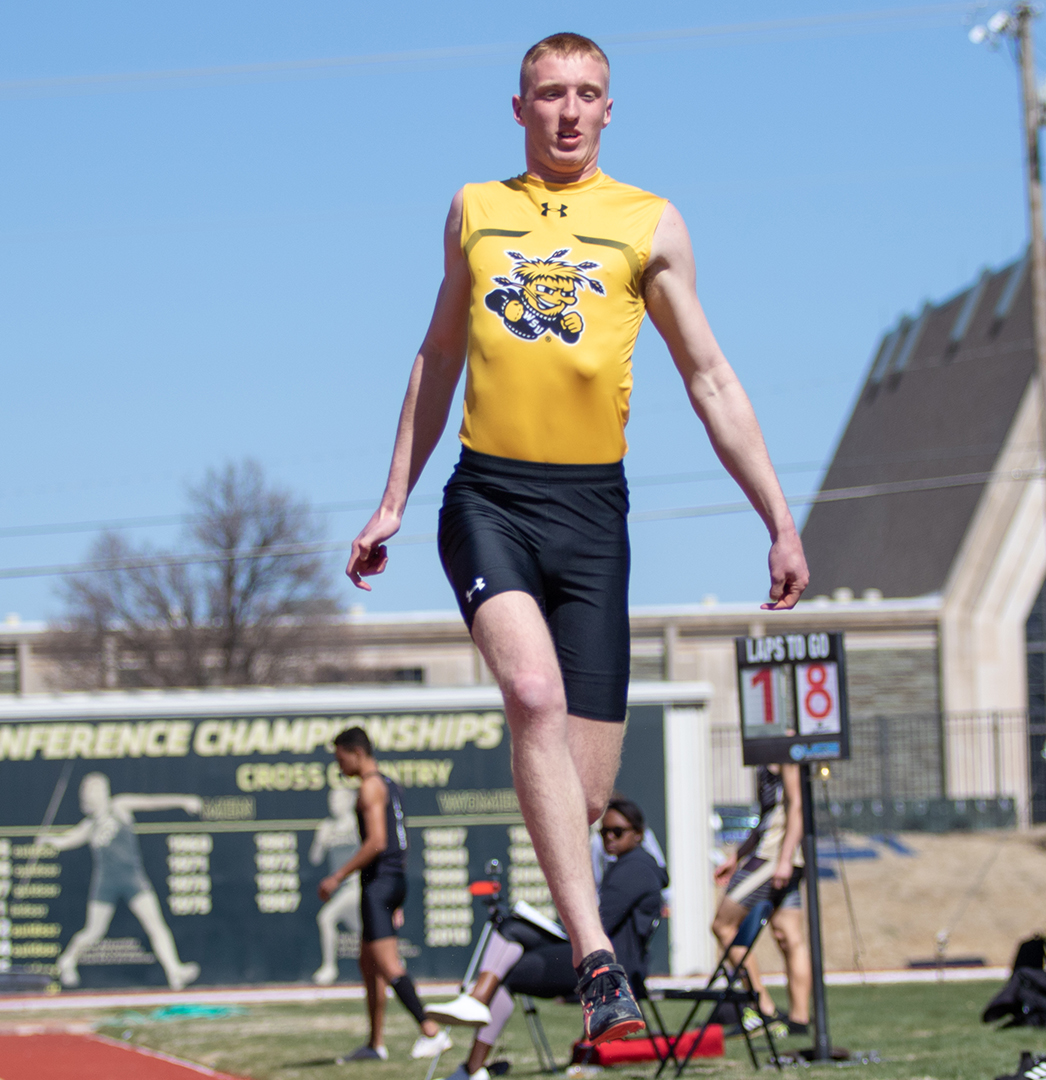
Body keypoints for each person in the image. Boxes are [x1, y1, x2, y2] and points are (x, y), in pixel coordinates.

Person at [344, 31, 807, 1044]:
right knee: (533, 693)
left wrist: (777, 516)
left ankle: (528, 961)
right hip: (490, 500)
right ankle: (599, 961)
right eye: (547, 93)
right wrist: (392, 501)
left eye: (585, 94)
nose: (566, 110)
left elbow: (712, 380)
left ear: (609, 109)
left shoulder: (650, 223)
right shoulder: (477, 209)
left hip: (595, 517)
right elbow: (435, 355)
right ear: (518, 109)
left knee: (584, 799)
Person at [426, 798, 667, 1080]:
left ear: (638, 834)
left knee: (511, 943)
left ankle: (474, 1038)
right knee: (511, 937)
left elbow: (598, 922)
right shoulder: (633, 865)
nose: (608, 838)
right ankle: (472, 1058)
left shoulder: (635, 867)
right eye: (603, 832)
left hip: (608, 966)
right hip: (603, 958)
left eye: (617, 832)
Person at [317, 727, 450, 1063]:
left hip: (378, 885)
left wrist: (337, 876)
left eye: (340, 757)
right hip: (390, 882)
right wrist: (396, 894)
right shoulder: (390, 784)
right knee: (368, 963)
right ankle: (375, 1043)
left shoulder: (370, 786)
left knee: (389, 965)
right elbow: (398, 842)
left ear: (356, 752)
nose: (338, 765)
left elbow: (376, 842)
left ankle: (430, 1030)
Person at [46, 772, 201, 990]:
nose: (97, 794)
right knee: (93, 931)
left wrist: (184, 800)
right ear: (86, 796)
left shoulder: (119, 806)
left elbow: (152, 802)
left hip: (133, 878)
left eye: (100, 789)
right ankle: (67, 961)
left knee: (155, 925)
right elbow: (68, 840)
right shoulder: (89, 825)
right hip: (105, 882)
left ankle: (175, 971)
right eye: (92, 790)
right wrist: (49, 841)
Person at [711, 763, 810, 1036]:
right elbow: (766, 817)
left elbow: (797, 806)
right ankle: (799, 1021)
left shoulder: (786, 752)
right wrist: (737, 856)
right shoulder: (763, 762)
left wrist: (786, 858)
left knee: (722, 925)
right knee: (788, 935)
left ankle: (763, 1007)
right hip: (779, 855)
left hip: (774, 857)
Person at [309, 785, 365, 987]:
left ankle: (329, 968)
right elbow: (315, 859)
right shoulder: (327, 827)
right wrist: (320, 842)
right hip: (341, 888)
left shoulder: (360, 824)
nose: (333, 804)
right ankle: (389, 960)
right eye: (331, 800)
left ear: (349, 801)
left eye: (338, 799)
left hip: (357, 884)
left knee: (326, 918)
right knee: (362, 929)